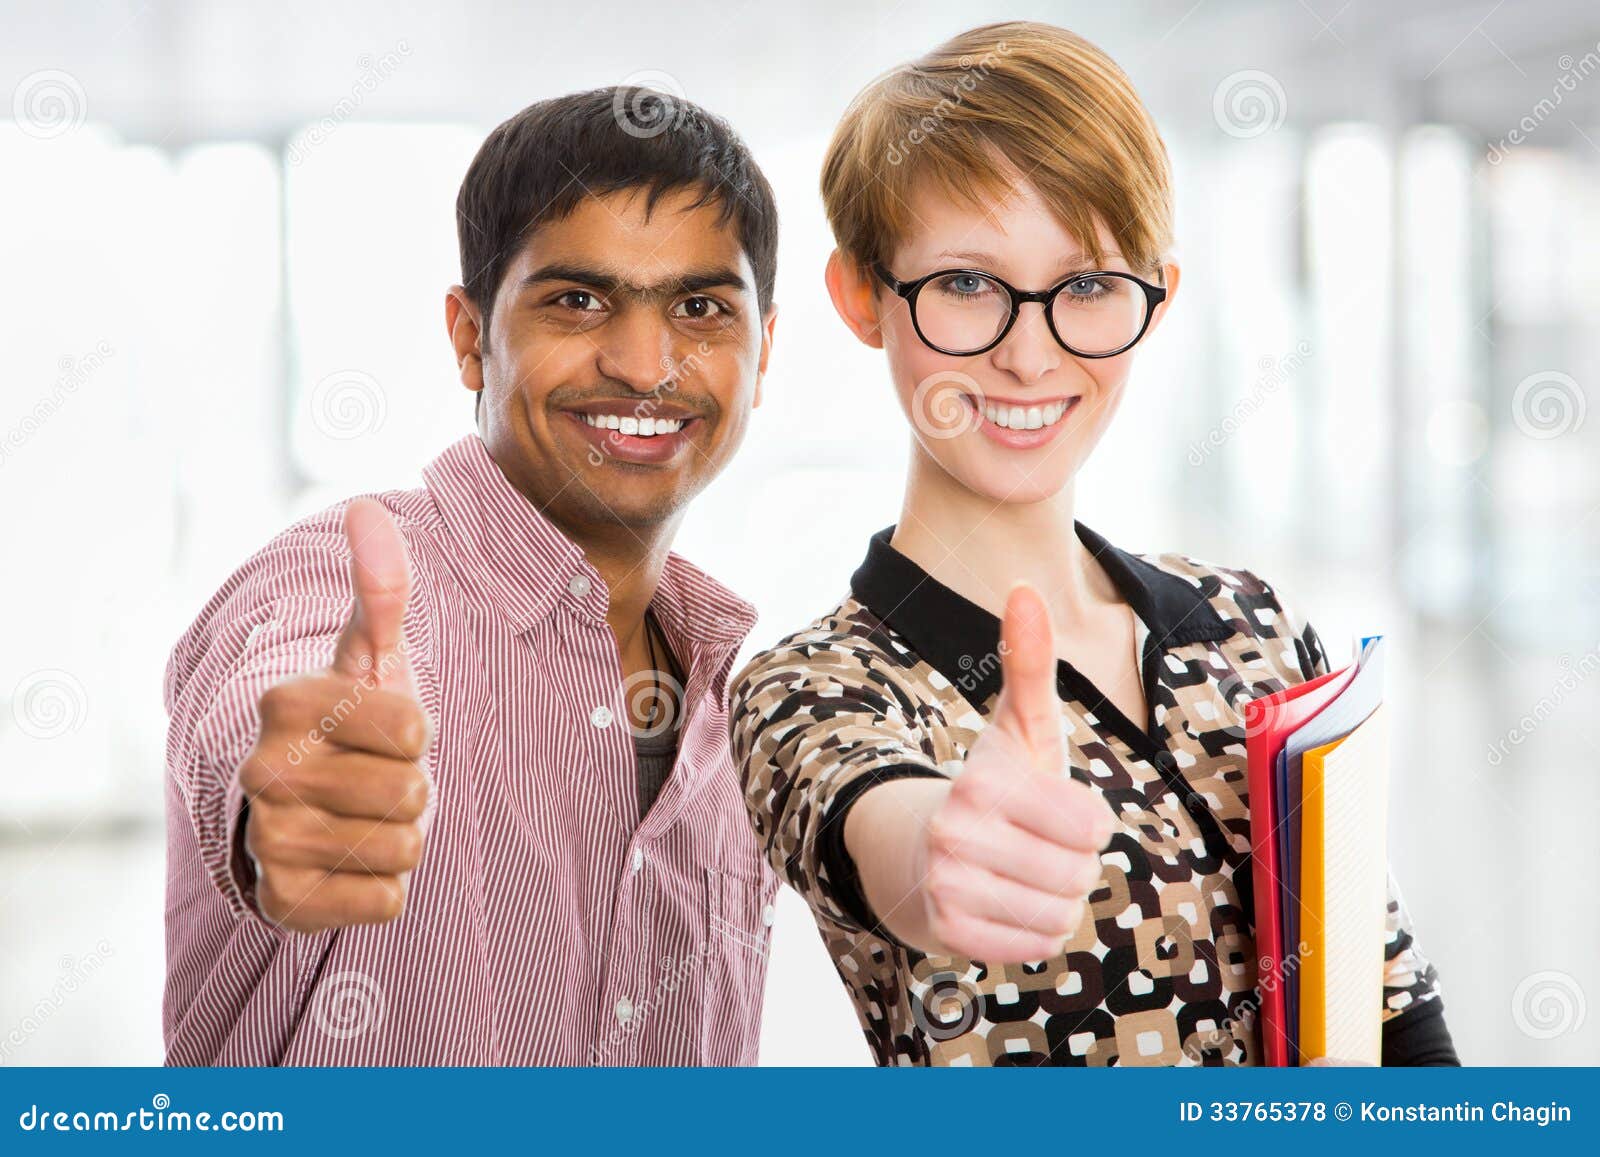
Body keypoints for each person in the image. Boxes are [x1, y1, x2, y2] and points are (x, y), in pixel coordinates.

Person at [729, 21, 1458, 1067]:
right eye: (968, 285)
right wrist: (940, 849)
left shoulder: (1247, 622)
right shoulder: (813, 687)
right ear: (861, 298)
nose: (1030, 356)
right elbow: (876, 822)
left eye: (1084, 287)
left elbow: (1394, 1019)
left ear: (1154, 299)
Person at [163, 87, 781, 1065]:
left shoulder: (728, 701)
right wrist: (292, 788)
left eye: (699, 307)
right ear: (469, 335)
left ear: (763, 350)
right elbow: (267, 703)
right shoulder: (345, 577)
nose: (643, 362)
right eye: (578, 300)